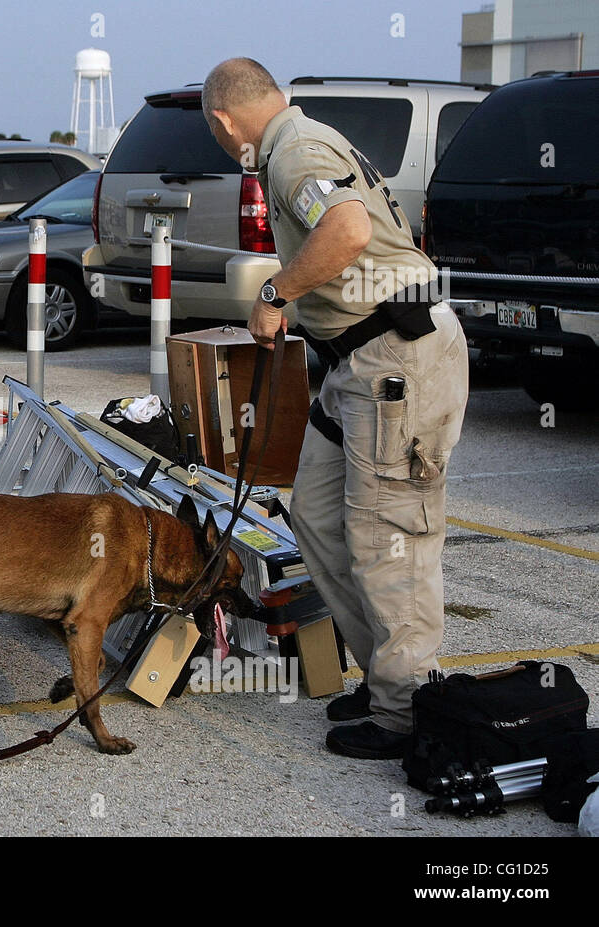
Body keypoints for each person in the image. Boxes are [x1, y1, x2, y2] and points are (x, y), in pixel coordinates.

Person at [202, 58, 469, 759]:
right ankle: (384, 676)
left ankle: (405, 709)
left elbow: (347, 231)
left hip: (396, 360)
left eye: (215, 131)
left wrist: (276, 293)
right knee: (318, 515)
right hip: (357, 358)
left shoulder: (295, 151)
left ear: (226, 121)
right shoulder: (307, 139)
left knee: (389, 536)